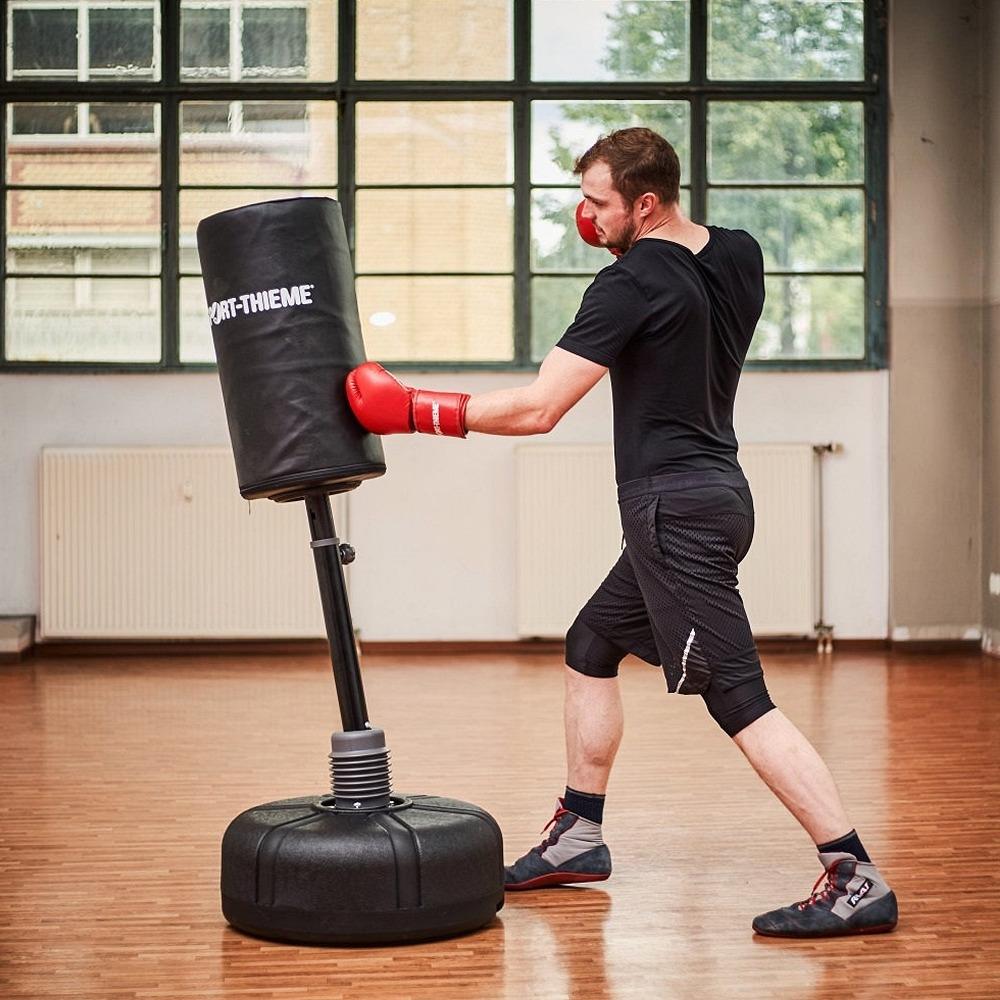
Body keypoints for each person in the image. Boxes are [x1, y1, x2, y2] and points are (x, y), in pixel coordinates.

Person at [345, 127, 898, 938]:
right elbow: (681, 311)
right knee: (592, 643)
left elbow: (540, 409)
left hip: (671, 512)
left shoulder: (629, 283)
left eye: (598, 203)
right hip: (719, 493)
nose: (587, 217)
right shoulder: (740, 255)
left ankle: (854, 875)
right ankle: (579, 834)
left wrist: (414, 410)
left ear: (643, 203)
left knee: (738, 697)